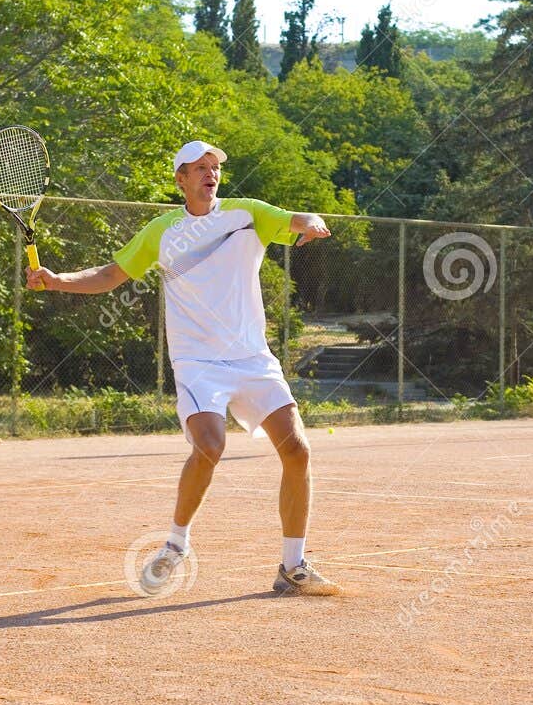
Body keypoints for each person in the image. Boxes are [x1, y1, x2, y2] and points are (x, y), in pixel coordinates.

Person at [25, 140, 340, 597]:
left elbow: (296, 219)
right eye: (200, 168)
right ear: (181, 179)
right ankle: (176, 545)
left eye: (215, 167)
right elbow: (111, 275)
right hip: (197, 362)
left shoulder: (247, 213)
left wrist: (311, 222)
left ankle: (293, 566)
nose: (211, 174)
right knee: (210, 444)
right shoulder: (162, 231)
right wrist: (58, 281)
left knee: (297, 450)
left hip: (252, 357)